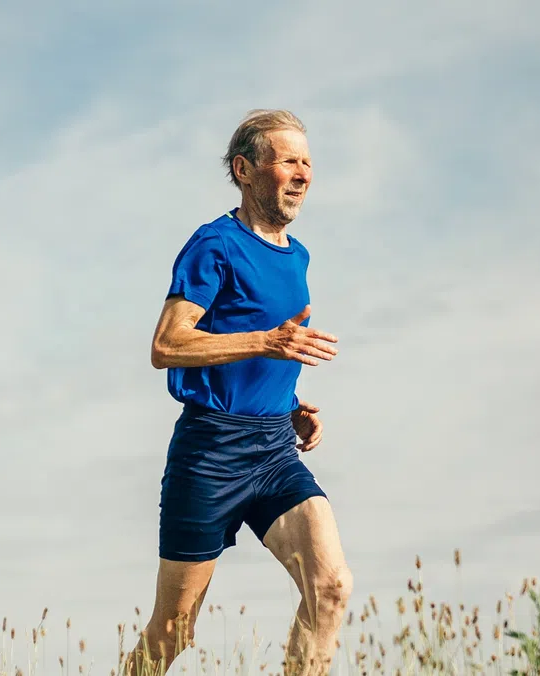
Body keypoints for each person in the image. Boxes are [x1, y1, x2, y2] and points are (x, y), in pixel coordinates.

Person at [123, 110, 353, 676]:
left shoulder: (296, 254)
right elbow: (168, 345)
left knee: (330, 590)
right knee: (172, 634)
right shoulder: (213, 245)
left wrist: (289, 403)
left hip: (274, 449)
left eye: (307, 161)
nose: (302, 172)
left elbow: (269, 348)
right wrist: (267, 343)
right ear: (245, 170)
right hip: (210, 451)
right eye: (287, 160)